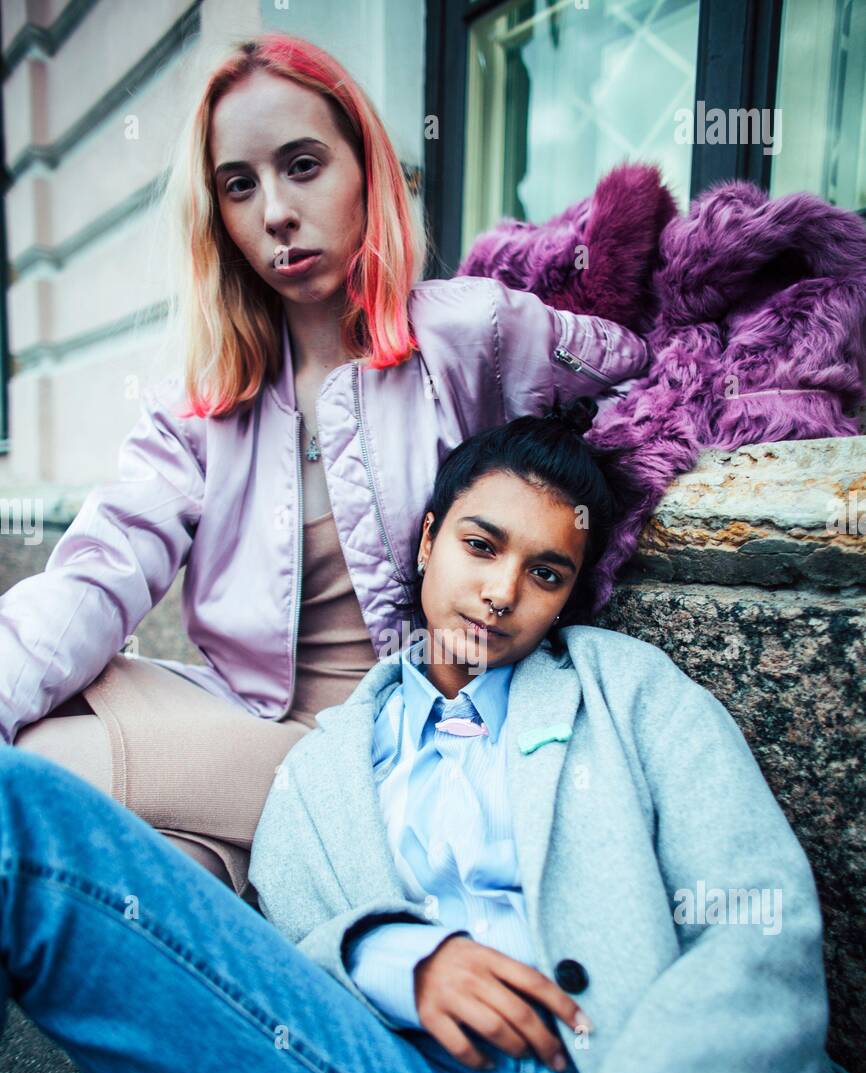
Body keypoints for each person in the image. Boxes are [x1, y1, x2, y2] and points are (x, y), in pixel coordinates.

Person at [6, 400, 866, 1073]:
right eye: (481, 546)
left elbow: (756, 941)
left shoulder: (635, 698)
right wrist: (395, 956)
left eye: (546, 572)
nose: (503, 593)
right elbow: (277, 977)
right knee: (16, 810)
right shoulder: (324, 770)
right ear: (425, 541)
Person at [1, 31, 649, 899]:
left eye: (302, 165)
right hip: (238, 719)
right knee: (124, 871)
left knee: (45, 771)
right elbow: (97, 570)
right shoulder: (202, 398)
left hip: (389, 731)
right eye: (240, 184)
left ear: (367, 170)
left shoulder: (469, 333)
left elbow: (641, 369)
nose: (274, 210)